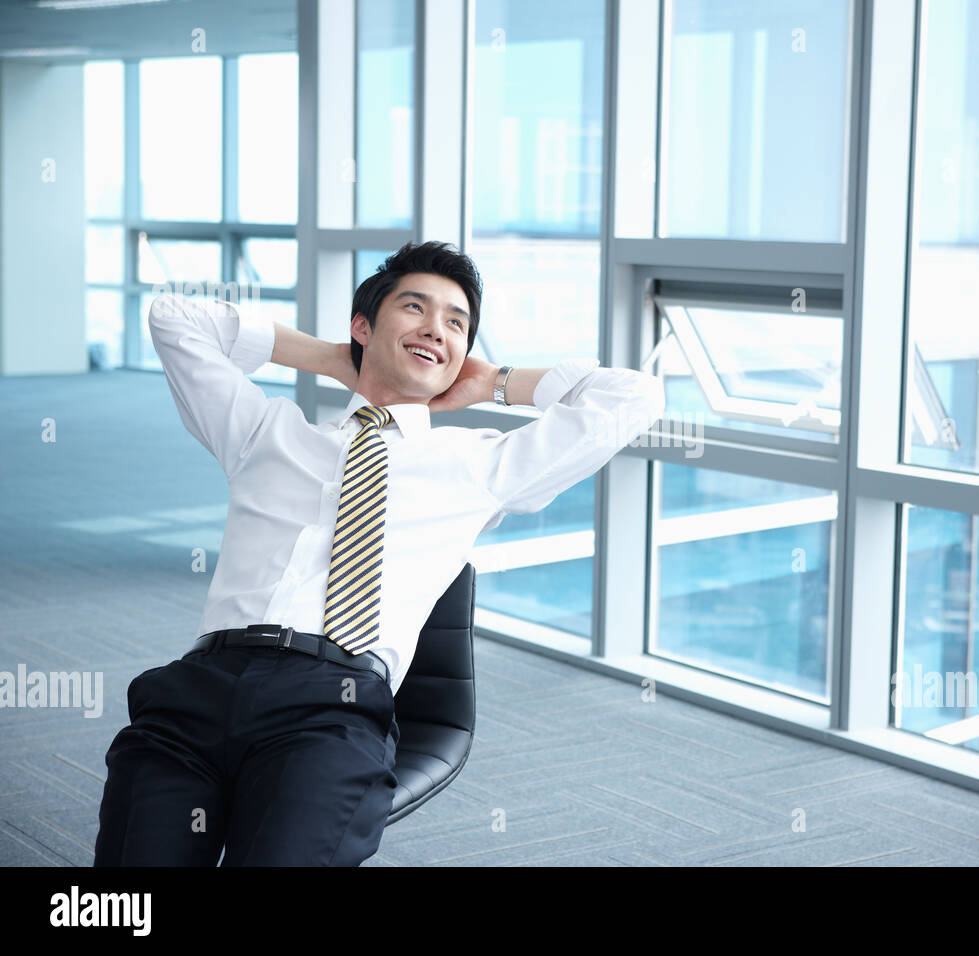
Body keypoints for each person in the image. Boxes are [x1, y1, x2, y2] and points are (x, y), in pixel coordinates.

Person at [93, 240, 665, 866]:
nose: (435, 330)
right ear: (364, 326)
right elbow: (175, 318)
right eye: (414, 308)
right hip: (197, 692)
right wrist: (336, 360)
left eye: (456, 324)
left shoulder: (479, 466)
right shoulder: (267, 433)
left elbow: (633, 397)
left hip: (329, 710)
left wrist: (495, 383)